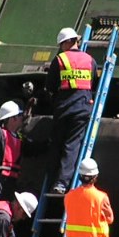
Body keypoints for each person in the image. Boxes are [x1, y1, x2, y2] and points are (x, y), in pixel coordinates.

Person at [45, 27, 97, 194]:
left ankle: (51, 180)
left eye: (61, 44)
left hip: (63, 109)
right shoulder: (90, 60)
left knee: (56, 144)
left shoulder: (60, 60)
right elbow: (93, 83)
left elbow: (50, 86)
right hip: (82, 108)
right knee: (72, 145)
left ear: (68, 42)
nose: (61, 47)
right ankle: (61, 184)